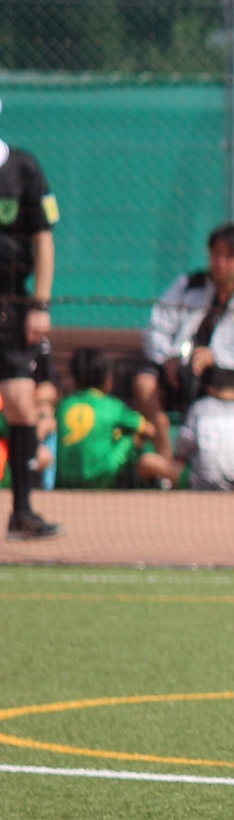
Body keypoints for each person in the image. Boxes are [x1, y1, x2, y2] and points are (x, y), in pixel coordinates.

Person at [136, 223, 234, 428]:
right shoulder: (187, 285)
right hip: (178, 374)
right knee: (144, 384)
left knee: (227, 393)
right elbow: (156, 329)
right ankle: (166, 454)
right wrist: (169, 358)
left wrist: (215, 356)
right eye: (216, 254)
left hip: (224, 378)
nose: (220, 262)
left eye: (228, 256)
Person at [0, 118, 61, 538]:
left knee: (21, 401)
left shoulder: (24, 169)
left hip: (12, 306)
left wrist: (40, 304)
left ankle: (22, 513)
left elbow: (43, 240)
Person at [54, 348, 179, 490]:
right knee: (131, 435)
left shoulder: (63, 405)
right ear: (108, 379)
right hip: (100, 478)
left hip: (64, 480)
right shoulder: (112, 406)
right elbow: (149, 430)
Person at [175, 369, 234, 491]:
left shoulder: (201, 407)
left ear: (211, 390)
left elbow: (183, 444)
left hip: (205, 484)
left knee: (149, 462)